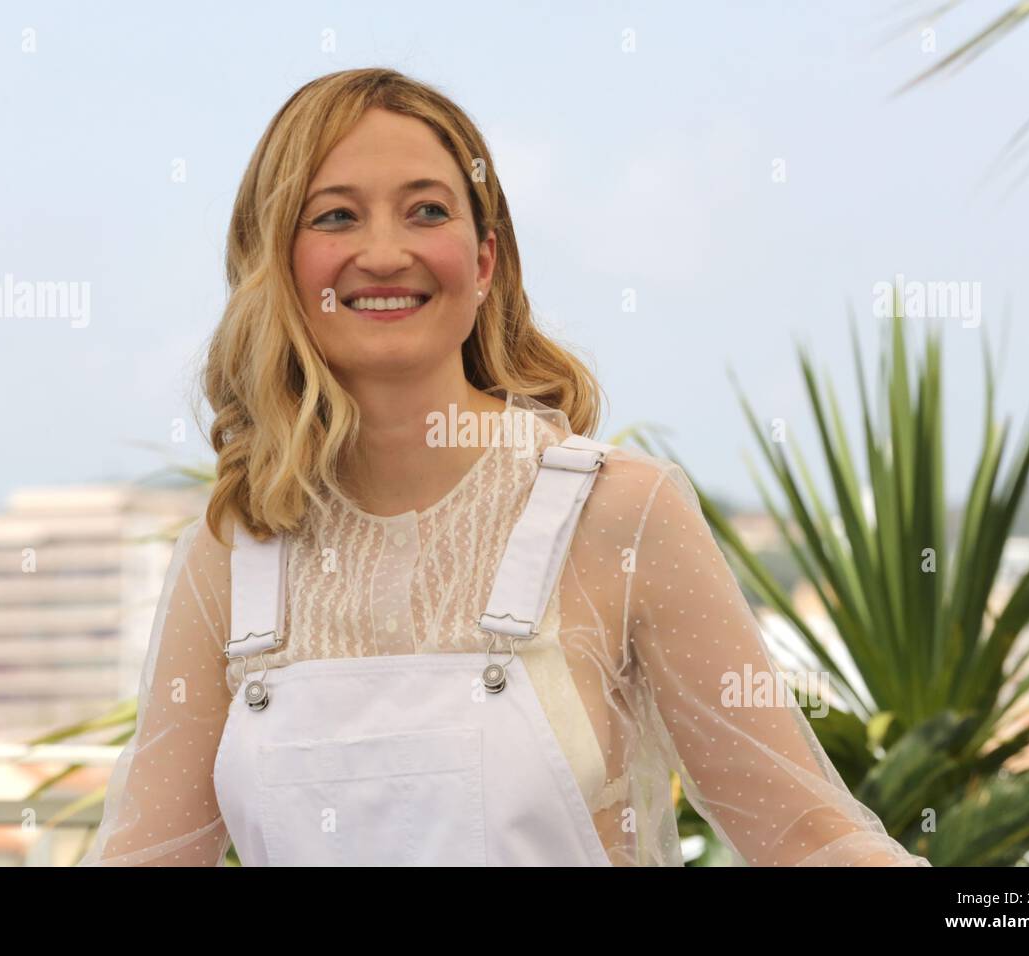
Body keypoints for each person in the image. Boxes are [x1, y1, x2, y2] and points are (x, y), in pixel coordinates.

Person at [77, 67, 931, 867]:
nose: (383, 252)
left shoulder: (620, 512)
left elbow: (803, 829)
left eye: (426, 212)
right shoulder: (235, 553)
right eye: (334, 216)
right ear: (278, 264)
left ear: (483, 262)